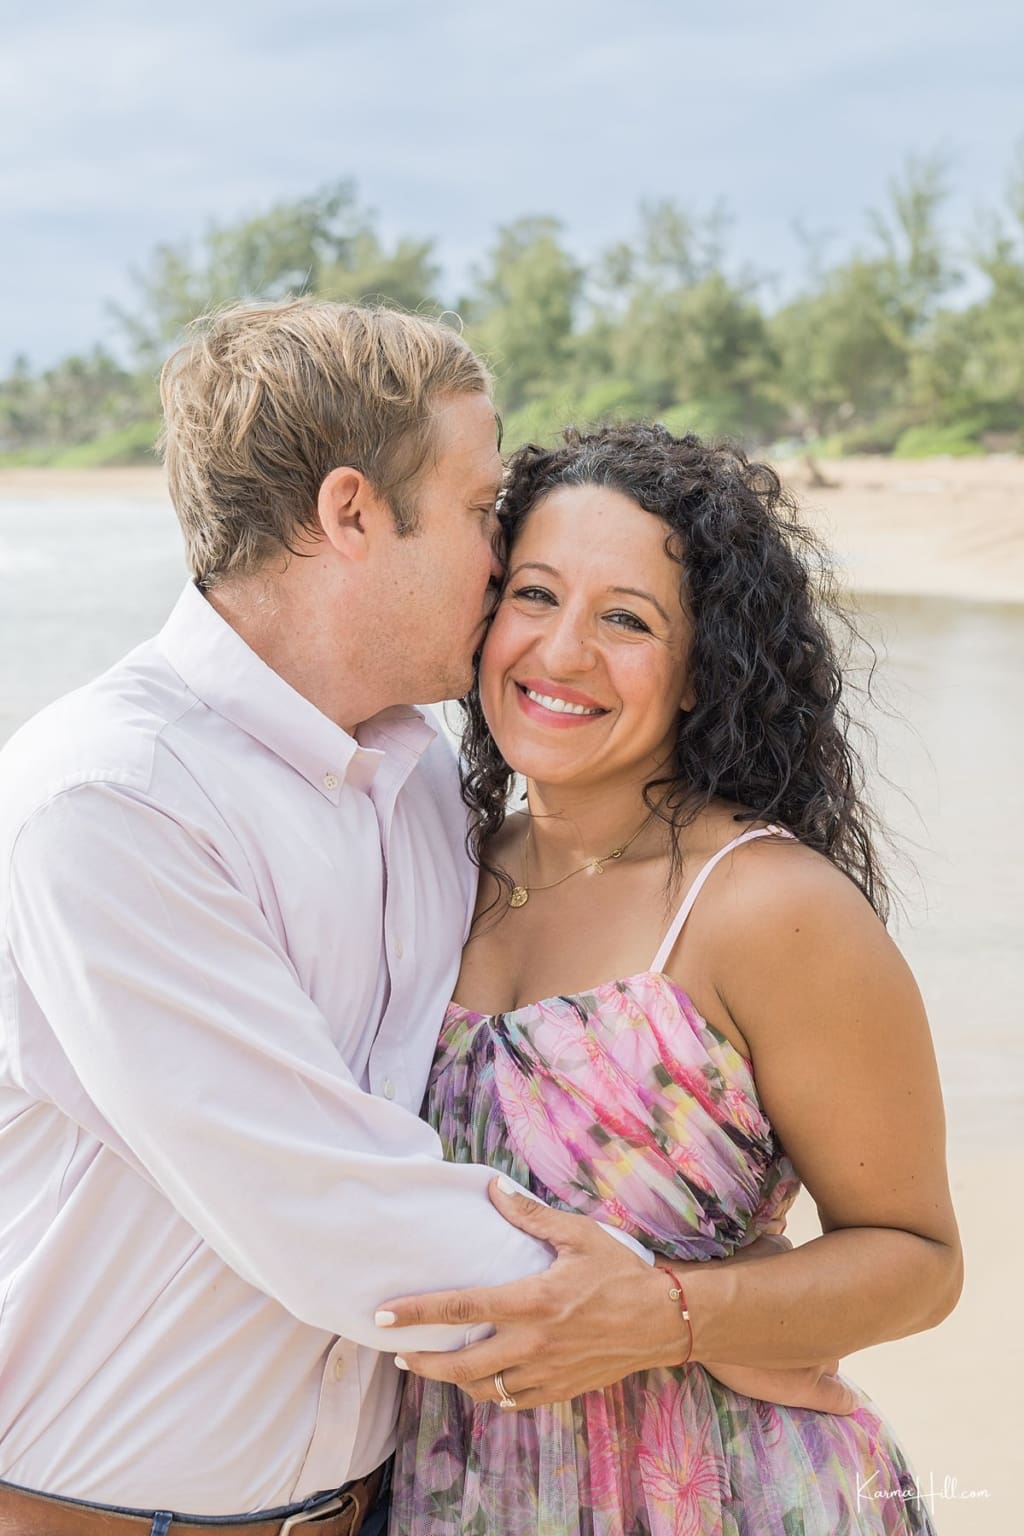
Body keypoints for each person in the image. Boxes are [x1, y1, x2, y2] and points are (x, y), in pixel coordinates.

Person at [0, 304, 825, 1536]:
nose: (502, 555)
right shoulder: (114, 799)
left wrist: (725, 1306)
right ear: (350, 514)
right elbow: (329, 1209)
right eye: (481, 507)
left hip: (386, 1510)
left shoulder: (424, 782)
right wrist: (693, 1322)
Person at [382, 424, 964, 1535]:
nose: (560, 655)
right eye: (536, 595)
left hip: (721, 1492)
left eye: (626, 620)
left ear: (705, 671)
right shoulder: (433, 871)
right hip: (455, 1495)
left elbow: (919, 1261)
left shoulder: (767, 908)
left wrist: (674, 1315)